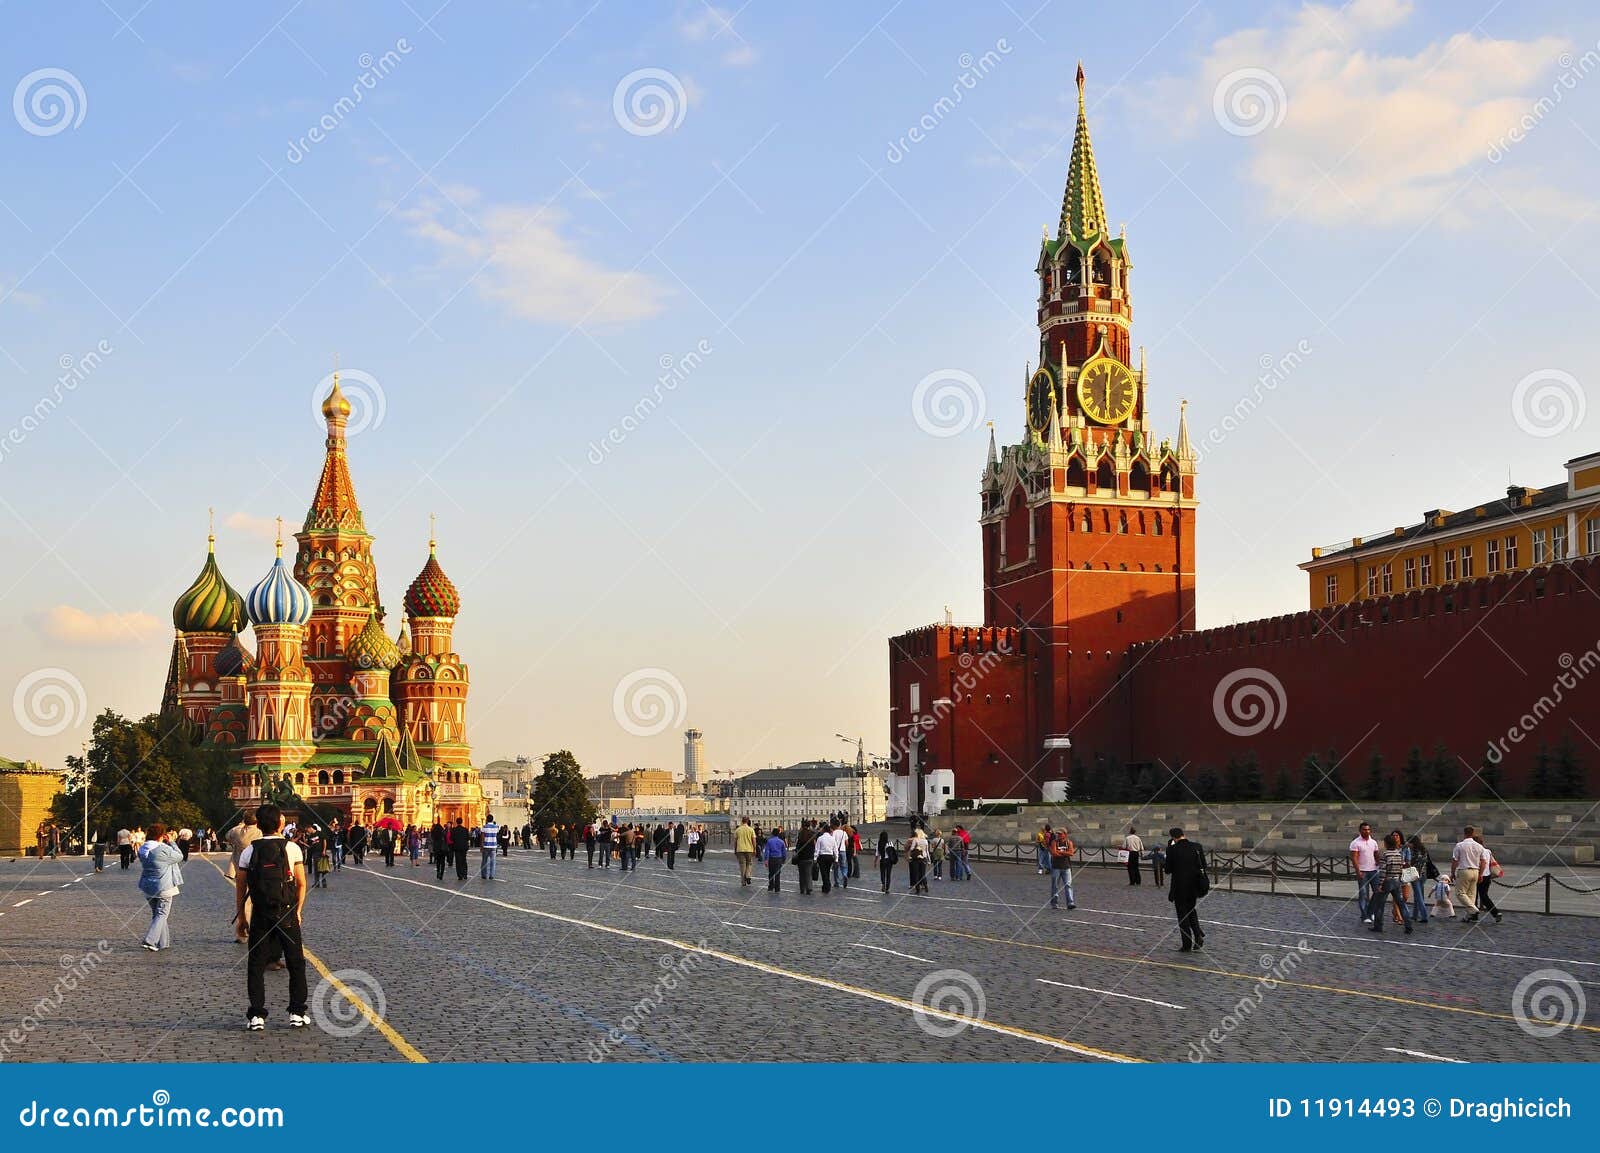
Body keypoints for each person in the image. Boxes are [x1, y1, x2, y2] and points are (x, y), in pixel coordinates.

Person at [235, 804, 309, 1031]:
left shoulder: (250, 850)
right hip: (286, 911)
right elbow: (301, 883)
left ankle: (256, 1015)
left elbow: (240, 885)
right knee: (295, 962)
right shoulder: (292, 848)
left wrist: (241, 917)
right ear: (280, 824)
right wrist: (298, 910)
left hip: (260, 912)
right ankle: (297, 1012)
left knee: (256, 963)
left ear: (259, 824)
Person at [136, 824, 185, 951]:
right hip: (164, 887)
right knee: (162, 914)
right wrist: (172, 842)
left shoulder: (142, 849)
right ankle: (150, 940)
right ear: (161, 836)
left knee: (157, 915)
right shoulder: (162, 849)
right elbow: (179, 856)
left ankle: (163, 943)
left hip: (147, 886)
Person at [1166, 826, 1208, 951]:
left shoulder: (1172, 850)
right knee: (1191, 911)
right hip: (1194, 886)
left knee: (1182, 916)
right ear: (1183, 834)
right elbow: (1204, 865)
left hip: (1179, 887)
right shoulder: (1197, 847)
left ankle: (1187, 944)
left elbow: (1168, 870)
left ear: (1173, 837)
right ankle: (1198, 935)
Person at [1369, 832, 1413, 934]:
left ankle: (1378, 926)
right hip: (1397, 880)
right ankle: (1408, 926)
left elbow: (1383, 870)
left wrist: (1380, 884)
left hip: (1387, 881)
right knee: (1401, 904)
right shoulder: (1398, 854)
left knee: (1380, 904)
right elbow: (1400, 868)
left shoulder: (1385, 854)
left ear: (1386, 844)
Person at [1451, 826, 1488, 922]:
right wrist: (1481, 874)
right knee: (1471, 895)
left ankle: (1474, 910)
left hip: (1464, 870)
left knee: (1460, 893)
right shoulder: (1479, 846)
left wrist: (1452, 872)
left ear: (1464, 833)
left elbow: (1455, 860)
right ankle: (1469, 916)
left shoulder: (1460, 845)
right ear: (1473, 833)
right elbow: (1483, 861)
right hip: (1475, 871)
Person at [1349, 821, 1380, 924]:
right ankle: (1364, 915)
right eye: (1364, 829)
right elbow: (1354, 858)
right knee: (1363, 895)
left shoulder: (1374, 842)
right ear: (1360, 830)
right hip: (1363, 871)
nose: (1366, 831)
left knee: (1377, 892)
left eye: (1368, 829)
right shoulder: (1355, 843)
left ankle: (1371, 912)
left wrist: (1379, 866)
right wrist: (1358, 871)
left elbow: (1376, 855)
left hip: (1374, 870)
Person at [1473, 832, 1505, 923]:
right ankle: (1496, 913)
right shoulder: (1488, 851)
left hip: (1478, 875)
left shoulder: (1476, 851)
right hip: (1487, 876)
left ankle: (1474, 915)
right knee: (1484, 896)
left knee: (1473, 896)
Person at [1045, 825, 1075, 910]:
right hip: (1056, 867)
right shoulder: (1054, 842)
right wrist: (1064, 853)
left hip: (1066, 867)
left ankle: (1070, 902)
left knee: (1068, 885)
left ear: (1065, 834)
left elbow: (1071, 853)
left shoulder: (1069, 842)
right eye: (1058, 834)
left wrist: (1060, 852)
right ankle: (1054, 903)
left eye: (1060, 834)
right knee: (1055, 886)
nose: (1058, 835)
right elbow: (1054, 853)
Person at [1406, 834, 1432, 924]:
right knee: (1419, 895)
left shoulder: (1413, 852)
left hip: (1415, 875)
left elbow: (1410, 863)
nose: (1407, 844)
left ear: (1412, 843)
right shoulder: (1424, 850)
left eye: (1408, 842)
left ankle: (1424, 916)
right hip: (1423, 875)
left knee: (1418, 896)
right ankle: (1415, 915)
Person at [815, 822, 839, 894]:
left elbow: (817, 849)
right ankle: (826, 886)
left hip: (822, 857)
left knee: (823, 872)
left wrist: (815, 858)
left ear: (824, 830)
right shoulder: (832, 838)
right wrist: (836, 859)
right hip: (830, 857)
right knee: (827, 871)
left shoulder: (820, 838)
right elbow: (835, 849)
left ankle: (827, 885)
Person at [794, 820, 816, 895]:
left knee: (801, 874)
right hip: (809, 856)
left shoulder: (800, 834)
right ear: (809, 826)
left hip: (801, 857)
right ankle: (809, 888)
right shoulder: (812, 834)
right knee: (808, 873)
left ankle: (802, 889)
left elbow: (797, 846)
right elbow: (814, 845)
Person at [906, 824, 930, 894]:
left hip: (915, 858)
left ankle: (918, 889)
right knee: (923, 874)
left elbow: (912, 848)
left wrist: (909, 856)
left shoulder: (915, 840)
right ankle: (925, 886)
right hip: (924, 857)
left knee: (916, 873)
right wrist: (929, 860)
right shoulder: (925, 841)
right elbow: (927, 851)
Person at [734, 817, 756, 886]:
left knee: (742, 866)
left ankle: (743, 882)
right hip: (749, 849)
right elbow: (754, 840)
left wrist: (735, 850)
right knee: (749, 863)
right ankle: (747, 875)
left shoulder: (738, 830)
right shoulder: (751, 829)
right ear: (747, 821)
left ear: (742, 821)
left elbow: (735, 841)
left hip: (740, 849)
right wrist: (754, 849)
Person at [764, 826, 787, 891]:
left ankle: (771, 886)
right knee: (777, 874)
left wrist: (766, 860)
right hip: (778, 859)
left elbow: (767, 851)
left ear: (772, 833)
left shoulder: (769, 841)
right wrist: (784, 859)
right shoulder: (781, 842)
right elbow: (784, 852)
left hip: (771, 858)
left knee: (771, 873)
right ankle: (777, 888)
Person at [480, 813, 499, 880]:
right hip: (493, 845)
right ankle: (491, 875)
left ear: (487, 819)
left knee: (484, 861)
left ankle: (484, 875)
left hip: (486, 846)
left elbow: (482, 837)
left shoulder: (484, 827)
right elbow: (496, 836)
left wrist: (481, 846)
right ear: (492, 819)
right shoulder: (496, 827)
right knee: (492, 862)